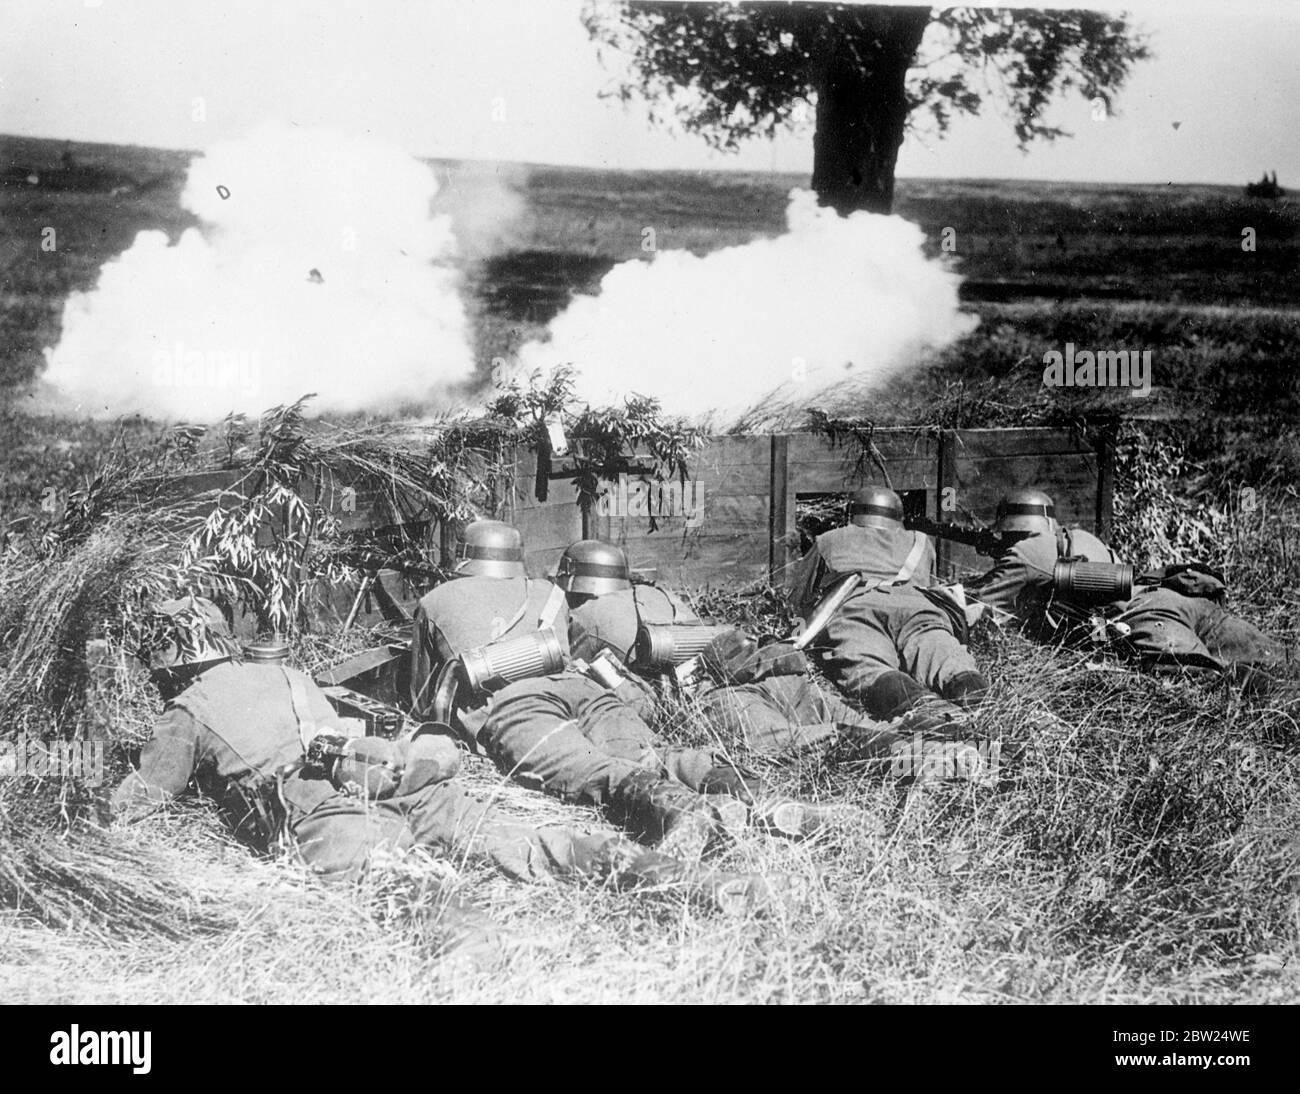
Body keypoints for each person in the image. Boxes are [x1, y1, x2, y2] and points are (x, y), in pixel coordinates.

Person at [103, 595, 788, 920]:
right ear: (223, 640)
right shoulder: (287, 674)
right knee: (538, 844)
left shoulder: (184, 710)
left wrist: (102, 792)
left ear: (167, 663)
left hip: (317, 802)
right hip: (394, 771)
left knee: (401, 886)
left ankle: (470, 969)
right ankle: (693, 885)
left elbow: (143, 800)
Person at [967, 488, 1291, 688]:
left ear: (1009, 530)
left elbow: (974, 605)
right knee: (1278, 658)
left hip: (1145, 620)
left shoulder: (1021, 555)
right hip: (1173, 598)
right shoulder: (1079, 537)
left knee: (1205, 682)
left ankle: (1273, 706)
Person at [788, 486, 989, 729]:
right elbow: (928, 582)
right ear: (898, 517)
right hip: (917, 608)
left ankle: (924, 710)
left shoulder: (828, 540)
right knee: (944, 653)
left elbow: (800, 598)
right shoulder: (921, 541)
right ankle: (985, 706)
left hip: (857, 609)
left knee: (868, 664)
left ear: (852, 513)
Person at [409, 520, 568, 729]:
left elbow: (420, 701)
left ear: (464, 556)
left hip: (478, 729)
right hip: (552, 717)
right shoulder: (552, 595)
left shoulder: (434, 600)